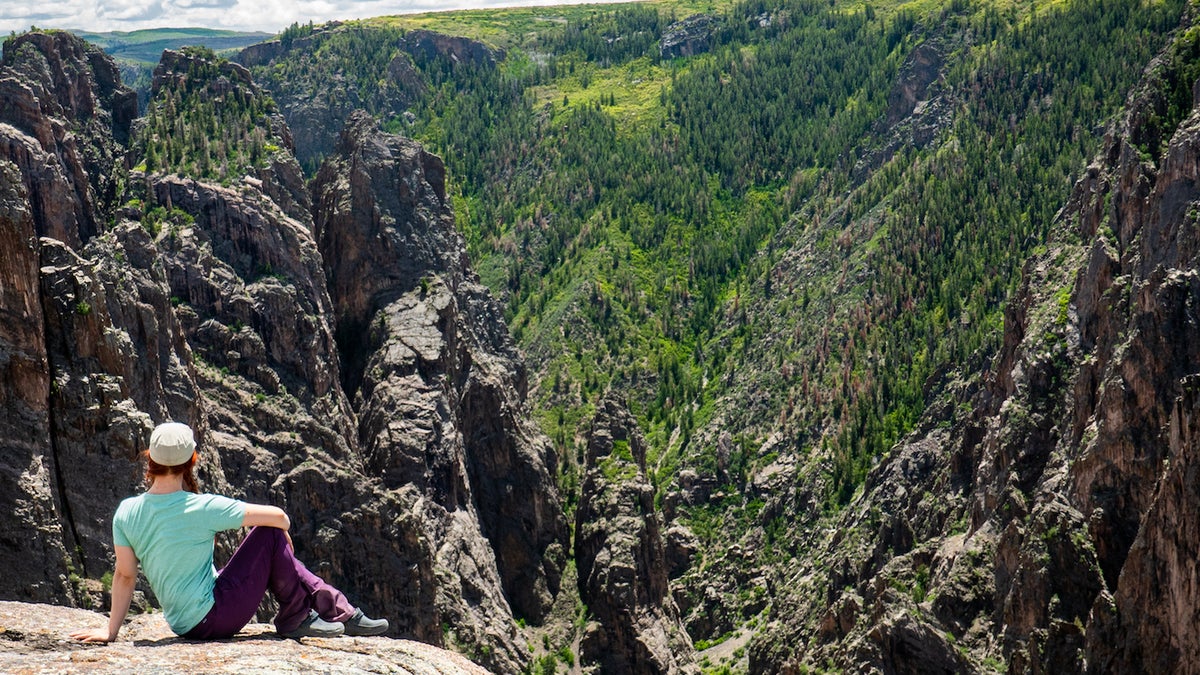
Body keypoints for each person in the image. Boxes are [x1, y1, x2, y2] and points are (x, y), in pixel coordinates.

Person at [70, 421, 388, 643]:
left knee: (269, 537)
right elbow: (279, 517)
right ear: (191, 461)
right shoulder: (201, 507)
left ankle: (340, 612)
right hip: (213, 618)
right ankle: (298, 617)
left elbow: (125, 576)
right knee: (269, 534)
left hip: (183, 623)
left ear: (150, 459)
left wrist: (111, 631)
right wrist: (281, 534)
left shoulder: (127, 512)